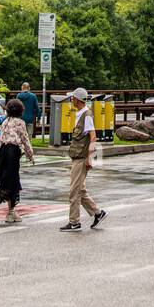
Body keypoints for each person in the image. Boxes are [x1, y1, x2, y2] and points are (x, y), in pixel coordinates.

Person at [0, 99, 34, 225]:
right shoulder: (20, 122)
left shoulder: (5, 122)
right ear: (21, 110)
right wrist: (30, 154)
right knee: (10, 182)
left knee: (3, 179)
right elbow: (25, 139)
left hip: (3, 151)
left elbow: (1, 138)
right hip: (13, 151)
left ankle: (11, 212)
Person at [60, 88, 105, 233]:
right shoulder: (80, 113)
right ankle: (98, 213)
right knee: (80, 189)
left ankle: (74, 222)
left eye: (72, 98)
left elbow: (93, 137)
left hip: (81, 158)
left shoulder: (87, 115)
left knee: (74, 191)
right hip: (77, 156)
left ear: (77, 99)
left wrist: (90, 158)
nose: (71, 100)